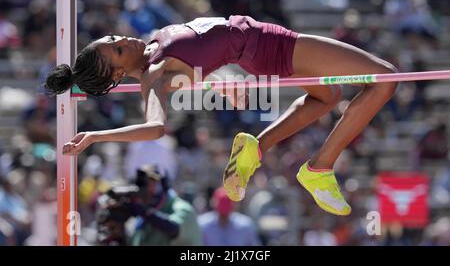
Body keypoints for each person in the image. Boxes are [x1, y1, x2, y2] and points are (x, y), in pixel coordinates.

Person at [45, 15, 398, 216]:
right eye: (119, 49)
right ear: (117, 74)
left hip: (257, 44)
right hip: (269, 46)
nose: (126, 39)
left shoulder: (154, 47)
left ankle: (257, 149)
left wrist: (218, 81)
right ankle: (320, 168)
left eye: (114, 37)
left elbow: (201, 46)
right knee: (385, 78)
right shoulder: (155, 76)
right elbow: (155, 128)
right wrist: (95, 137)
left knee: (327, 96)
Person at [126, 164, 201, 246]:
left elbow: (174, 228)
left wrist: (145, 212)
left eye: (154, 184)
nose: (150, 191)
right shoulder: (142, 219)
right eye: (146, 186)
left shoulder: (182, 208)